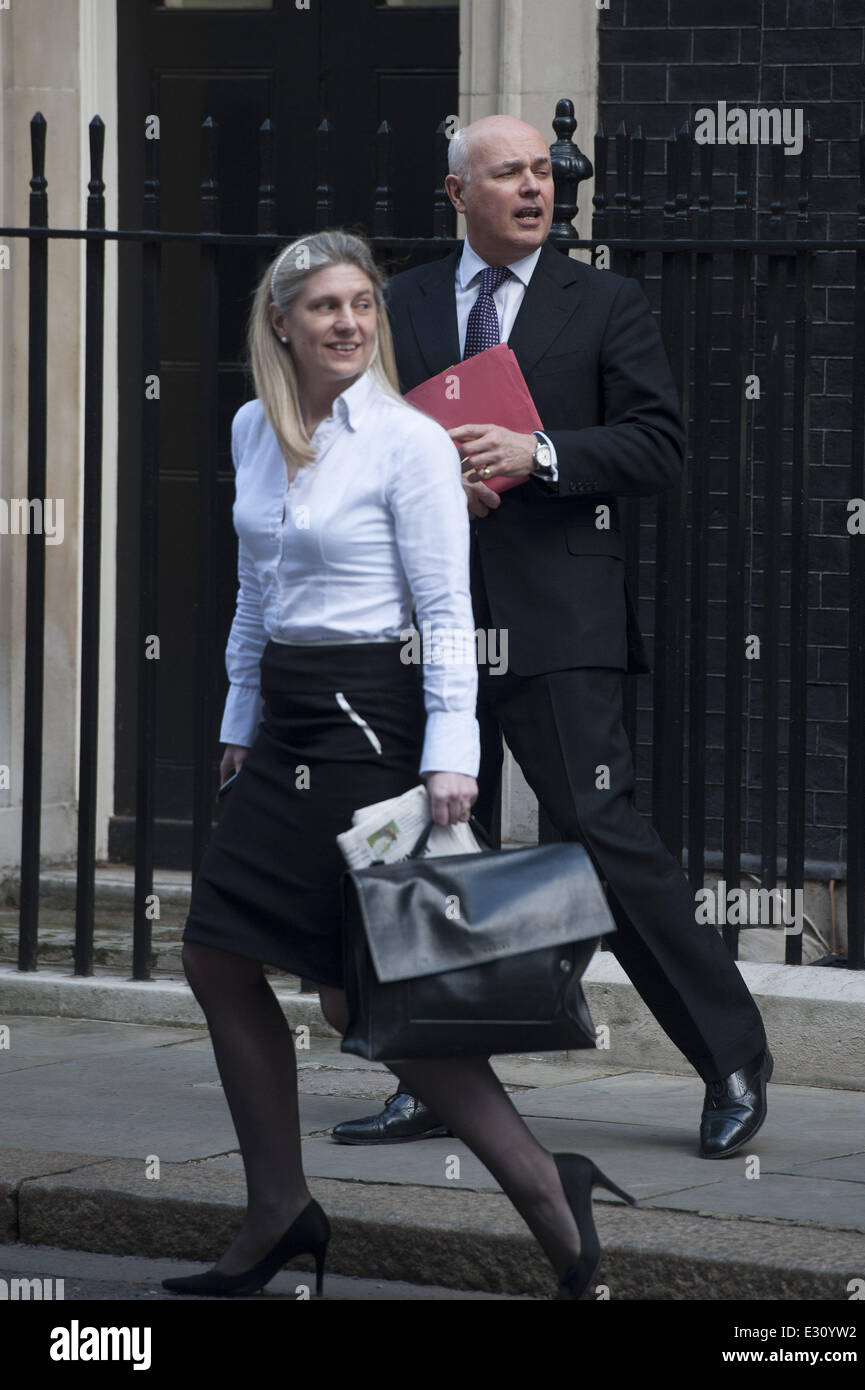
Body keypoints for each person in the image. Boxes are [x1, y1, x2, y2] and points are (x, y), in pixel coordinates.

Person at [161, 229, 634, 1302]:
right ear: (279, 321)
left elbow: (448, 612)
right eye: (324, 306)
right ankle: (280, 1208)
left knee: (359, 991)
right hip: (284, 717)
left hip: (368, 726)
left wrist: (451, 755)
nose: (347, 324)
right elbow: (254, 591)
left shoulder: (407, 441)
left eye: (361, 306)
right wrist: (240, 716)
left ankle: (541, 1185)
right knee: (220, 957)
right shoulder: (253, 428)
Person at [332, 117, 773, 1159]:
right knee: (427, 847)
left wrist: (536, 454)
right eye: (510, 174)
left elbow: (658, 444)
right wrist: (425, 483)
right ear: (456, 193)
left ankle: (731, 1056)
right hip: (428, 618)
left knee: (602, 834)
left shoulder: (605, 302)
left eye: (543, 171)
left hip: (558, 615)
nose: (535, 188)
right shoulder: (398, 304)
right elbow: (356, 438)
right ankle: (435, 1074)